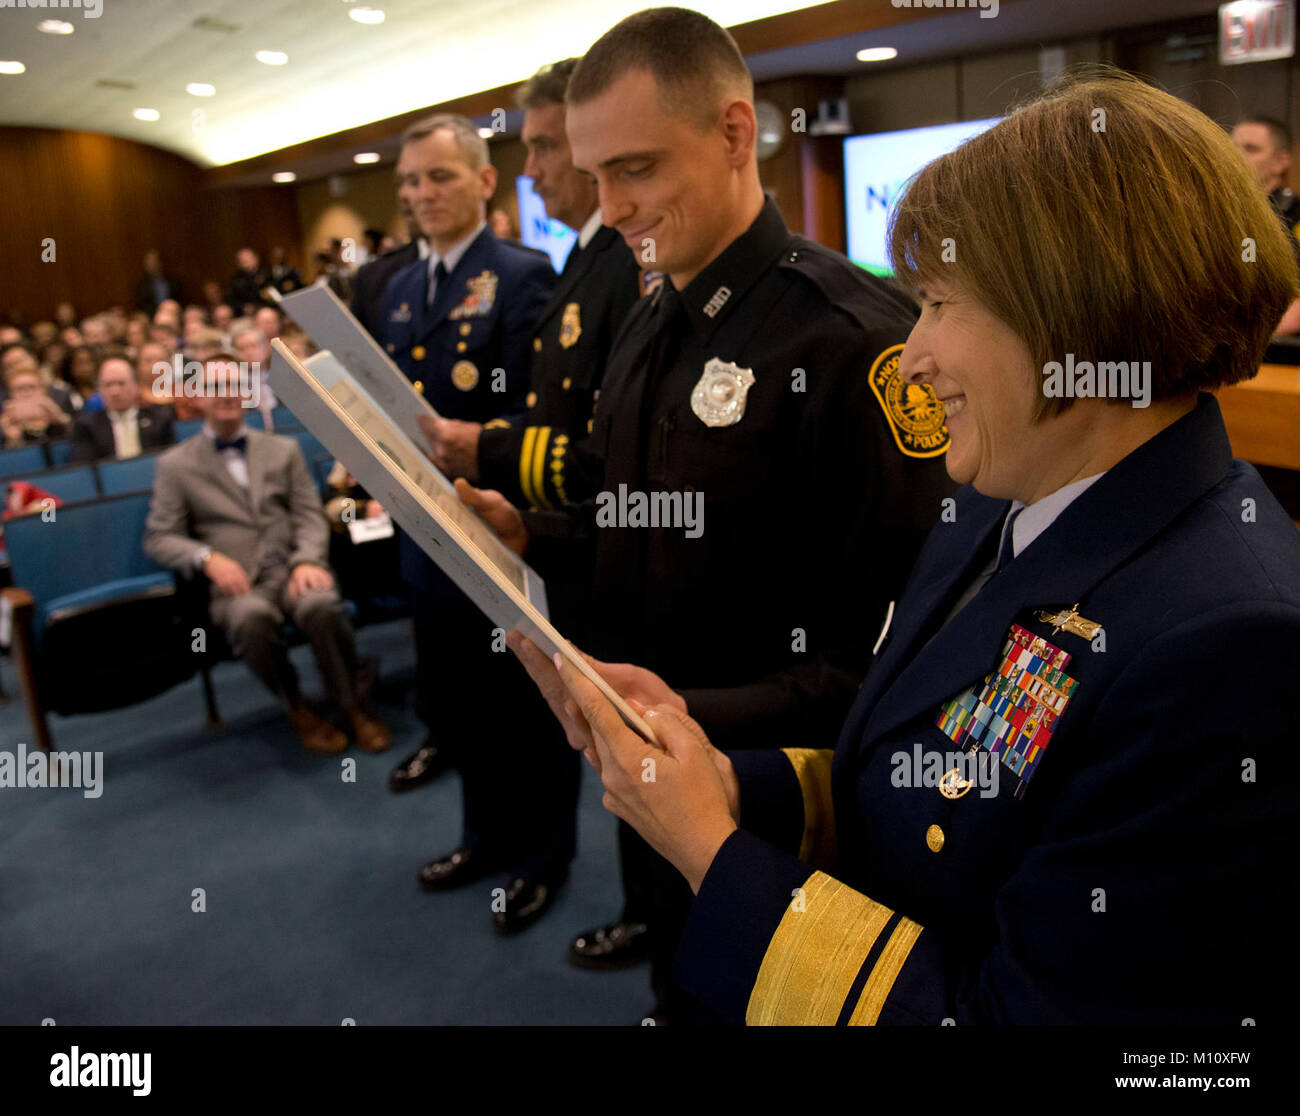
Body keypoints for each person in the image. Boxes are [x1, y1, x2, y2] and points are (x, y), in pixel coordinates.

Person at [512, 67, 1300, 1027]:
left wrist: (711, 853)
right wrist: (724, 781)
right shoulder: (999, 500)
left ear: (1079, 313)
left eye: (939, 303)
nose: (914, 354)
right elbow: (909, 778)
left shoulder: (1233, 644)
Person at [456, 8, 951, 1014]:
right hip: (652, 755)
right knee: (681, 980)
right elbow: (633, 513)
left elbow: (892, 661)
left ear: (734, 134)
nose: (609, 207)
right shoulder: (649, 314)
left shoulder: (850, 343)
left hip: (776, 799)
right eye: (594, 177)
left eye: (634, 169)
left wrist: (699, 726)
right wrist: (530, 533)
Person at [410, 59, 647, 934]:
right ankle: (493, 839)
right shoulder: (579, 259)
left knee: (566, 720)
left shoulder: (587, 267)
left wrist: (491, 449)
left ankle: (572, 875)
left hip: (577, 534)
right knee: (477, 700)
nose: (538, 167)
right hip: (521, 523)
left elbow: (594, 437)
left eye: (549, 146)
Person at [380, 112, 561, 931]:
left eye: (439, 176)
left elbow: (537, 412)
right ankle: (482, 837)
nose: (421, 194)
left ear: (486, 181)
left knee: (520, 707)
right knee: (458, 700)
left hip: (496, 527)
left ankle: (540, 859)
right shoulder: (396, 286)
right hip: (425, 534)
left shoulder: (521, 275)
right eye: (410, 181)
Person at [144, 356, 391, 755]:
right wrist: (208, 558)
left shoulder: (283, 449)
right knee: (250, 619)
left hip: (293, 569)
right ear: (199, 396)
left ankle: (350, 704)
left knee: (322, 606)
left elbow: (310, 515)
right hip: (237, 583)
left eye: (234, 386)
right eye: (214, 387)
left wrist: (308, 559)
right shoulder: (175, 466)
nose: (226, 396)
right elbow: (160, 537)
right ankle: (296, 707)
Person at [1232, 114, 1300, 334]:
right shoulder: (1220, 216)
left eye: (1251, 149)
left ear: (1281, 161)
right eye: (1231, 146)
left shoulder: (1295, 217)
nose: (1236, 156)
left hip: (1281, 350)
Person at [68, 353, 175, 462]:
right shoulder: (87, 426)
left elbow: (170, 462)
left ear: (136, 386)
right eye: (108, 385)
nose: (115, 392)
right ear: (100, 390)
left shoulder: (159, 420)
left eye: (121, 383)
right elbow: (83, 469)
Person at [1, 358, 70, 448]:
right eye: (19, 389)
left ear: (44, 391)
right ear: (10, 395)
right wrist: (13, 439)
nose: (27, 393)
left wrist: (61, 421)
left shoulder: (58, 418)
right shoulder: (6, 426)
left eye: (32, 387)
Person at [135, 249, 185, 315]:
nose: (153, 265)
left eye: (154, 261)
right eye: (149, 263)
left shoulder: (174, 282)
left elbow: (180, 301)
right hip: (152, 317)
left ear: (160, 262)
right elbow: (142, 306)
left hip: (173, 314)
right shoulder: (142, 285)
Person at [228, 248, 270, 316]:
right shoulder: (236, 281)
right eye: (242, 260)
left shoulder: (268, 275)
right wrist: (243, 307)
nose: (246, 262)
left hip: (268, 310)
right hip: (247, 315)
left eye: (248, 258)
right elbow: (232, 302)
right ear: (238, 264)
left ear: (256, 258)